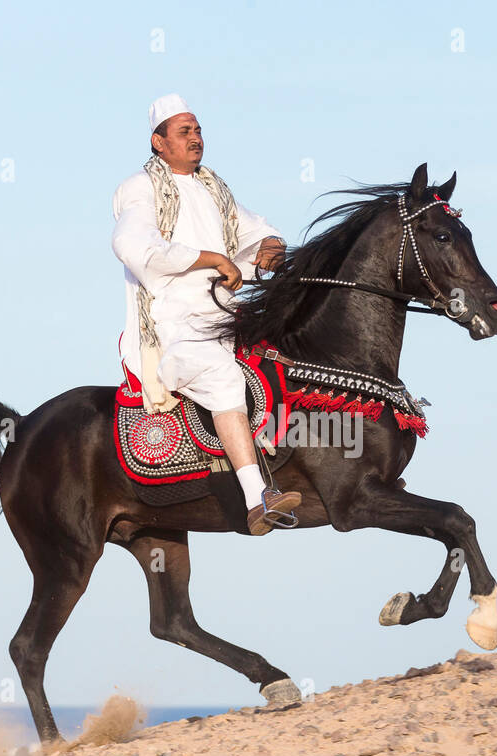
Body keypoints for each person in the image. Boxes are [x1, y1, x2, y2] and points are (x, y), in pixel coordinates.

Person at [111, 94, 300, 534]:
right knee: (224, 378)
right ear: (159, 142)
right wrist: (213, 258)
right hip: (173, 328)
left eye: (197, 130)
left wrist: (271, 249)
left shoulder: (214, 187)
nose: (196, 139)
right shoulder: (138, 188)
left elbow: (258, 232)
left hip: (228, 319)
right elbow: (134, 246)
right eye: (184, 131)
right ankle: (258, 500)